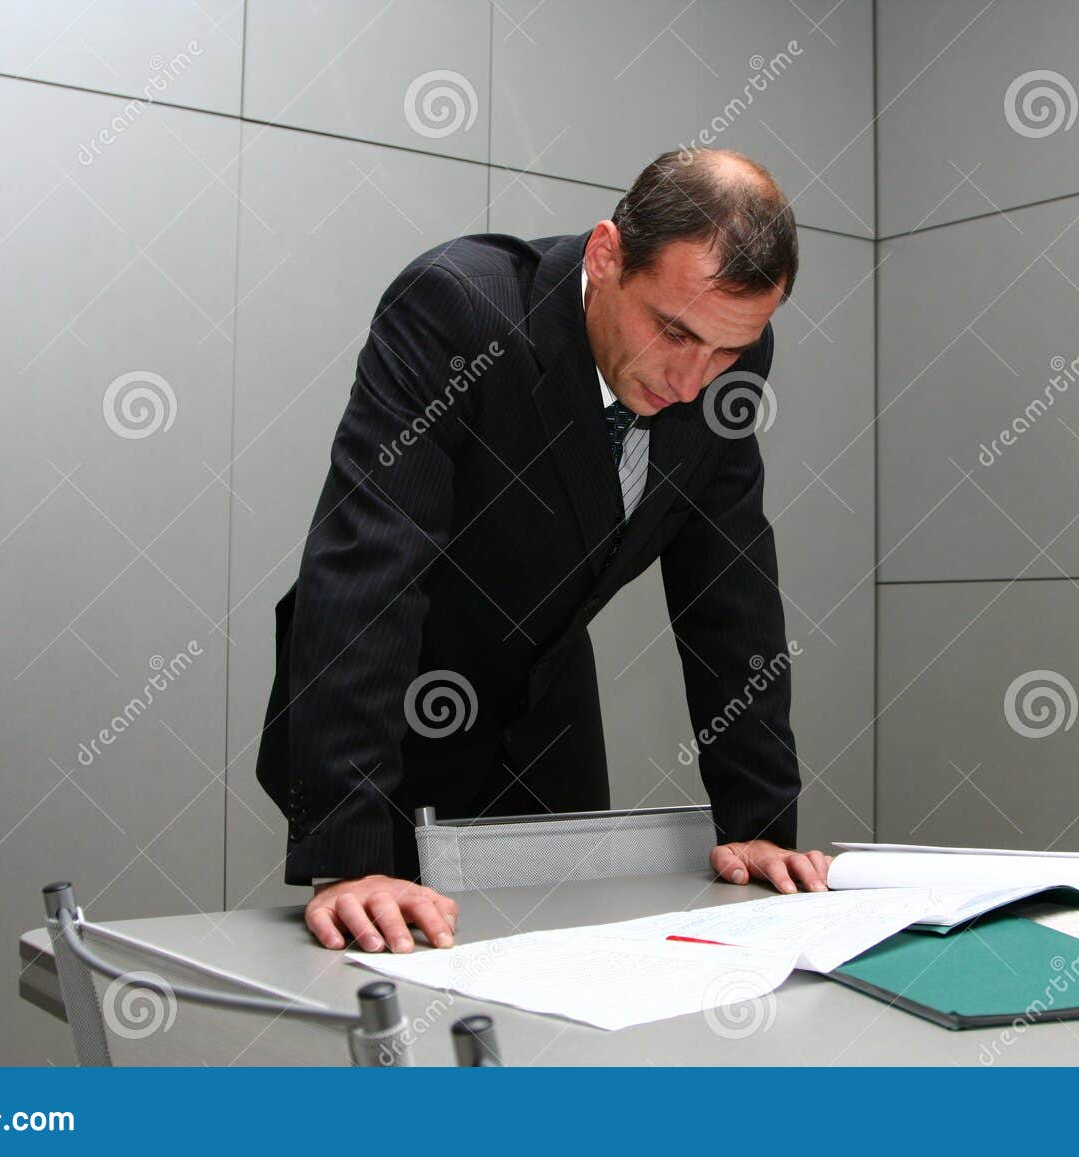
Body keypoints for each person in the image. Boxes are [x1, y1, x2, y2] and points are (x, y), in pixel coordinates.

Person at [256, 148, 831, 954]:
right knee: (388, 983)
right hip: (388, 705)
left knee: (565, 974)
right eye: (674, 331)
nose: (694, 380)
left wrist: (760, 823)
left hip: (546, 710)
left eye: (727, 351)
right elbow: (370, 560)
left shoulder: (727, 358)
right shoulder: (459, 308)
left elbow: (728, 579)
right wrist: (349, 853)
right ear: (605, 256)